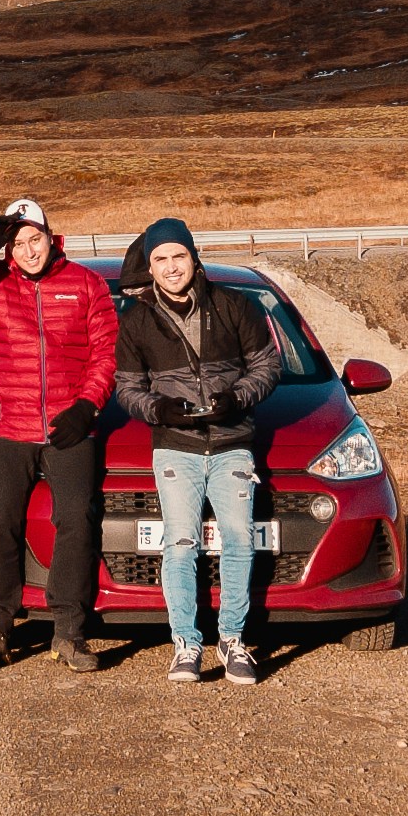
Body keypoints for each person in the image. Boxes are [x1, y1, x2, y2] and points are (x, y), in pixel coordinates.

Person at [0, 197, 117, 672]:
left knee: (77, 520)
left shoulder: (86, 284)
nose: (29, 251)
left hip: (68, 428)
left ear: (50, 237)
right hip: (7, 428)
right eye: (17, 244)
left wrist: (87, 405)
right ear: (8, 249)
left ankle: (70, 633)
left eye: (35, 239)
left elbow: (106, 353)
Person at [112, 217, 280, 686]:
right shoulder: (137, 321)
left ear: (193, 257)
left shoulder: (234, 306)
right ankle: (186, 643)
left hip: (233, 446)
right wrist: (159, 409)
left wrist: (239, 397)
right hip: (175, 449)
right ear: (150, 267)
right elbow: (127, 387)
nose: (170, 268)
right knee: (180, 543)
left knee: (240, 540)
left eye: (178, 256)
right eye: (160, 259)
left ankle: (232, 640)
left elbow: (267, 363)